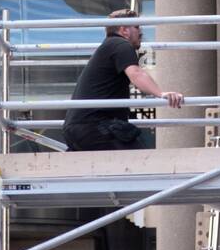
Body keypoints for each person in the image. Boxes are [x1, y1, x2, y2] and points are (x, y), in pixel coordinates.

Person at [64, 10, 184, 151]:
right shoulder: (120, 44)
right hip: (95, 127)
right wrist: (161, 94)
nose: (141, 32)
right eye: (137, 27)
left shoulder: (108, 46)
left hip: (78, 128)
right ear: (124, 30)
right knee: (141, 161)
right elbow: (136, 74)